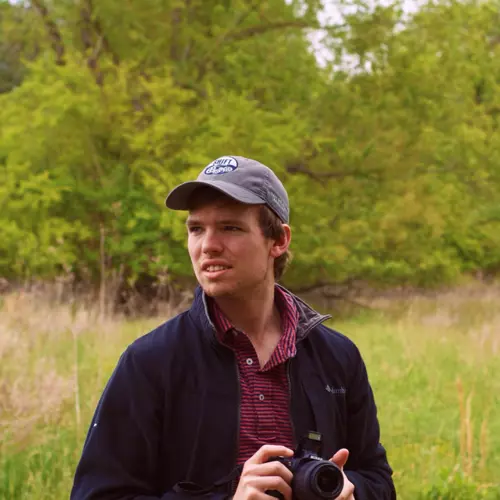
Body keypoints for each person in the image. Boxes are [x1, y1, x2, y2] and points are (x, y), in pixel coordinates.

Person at [70, 156, 396, 500]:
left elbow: (378, 480)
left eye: (230, 227)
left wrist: (351, 491)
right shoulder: (150, 362)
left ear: (279, 240)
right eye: (196, 229)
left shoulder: (337, 357)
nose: (207, 245)